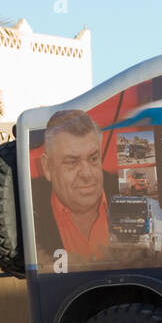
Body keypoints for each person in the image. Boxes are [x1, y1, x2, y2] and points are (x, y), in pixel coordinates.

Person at [40, 109, 109, 260]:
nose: (86, 174)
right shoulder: (32, 218)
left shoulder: (131, 194)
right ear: (47, 167)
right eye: (72, 162)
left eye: (93, 159)